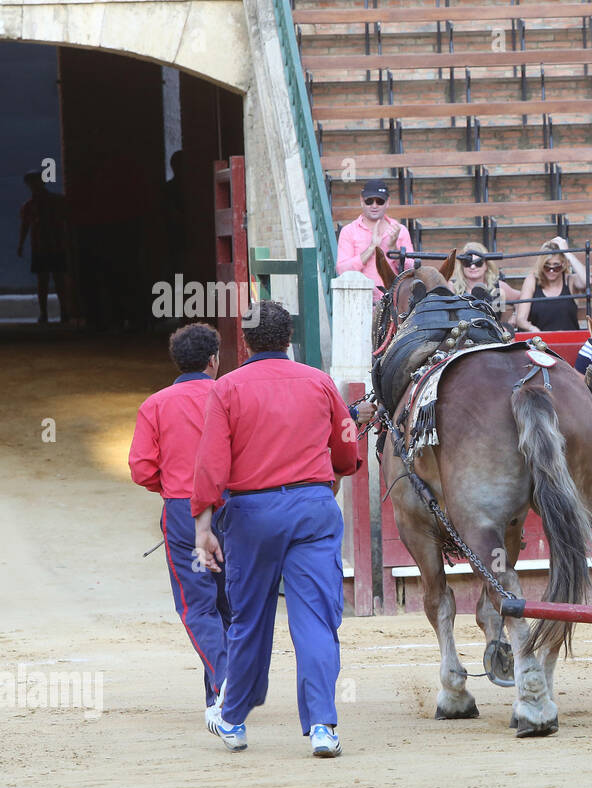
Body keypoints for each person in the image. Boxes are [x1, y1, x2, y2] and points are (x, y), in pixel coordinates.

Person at [193, 301, 361, 758]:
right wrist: (327, 484)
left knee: (249, 619)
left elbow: (211, 465)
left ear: (245, 341)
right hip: (313, 508)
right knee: (317, 621)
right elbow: (347, 452)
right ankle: (324, 725)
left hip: (253, 514)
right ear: (289, 339)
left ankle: (234, 718)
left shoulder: (226, 388)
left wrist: (204, 526)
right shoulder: (319, 381)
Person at [128, 323, 230, 728]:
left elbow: (141, 469)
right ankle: (220, 691)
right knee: (231, 603)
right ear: (214, 361)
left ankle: (224, 684)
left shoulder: (156, 404)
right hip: (235, 508)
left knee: (197, 605)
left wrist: (172, 488)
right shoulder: (230, 394)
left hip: (184, 512)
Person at [336, 179, 413, 302]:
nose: (374, 205)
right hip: (358, 301)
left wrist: (394, 249)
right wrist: (372, 247)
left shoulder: (400, 230)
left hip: (393, 303)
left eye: (380, 201)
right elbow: (342, 270)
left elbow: (410, 269)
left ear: (387, 202)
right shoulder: (349, 231)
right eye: (369, 201)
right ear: (362, 201)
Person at [17, 171, 69, 324]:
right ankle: (62, 312)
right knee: (56, 280)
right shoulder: (56, 200)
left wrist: (21, 244)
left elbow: (25, 226)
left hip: (43, 246)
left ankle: (45, 313)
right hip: (53, 245)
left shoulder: (29, 205)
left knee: (44, 281)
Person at [512, 237, 589, 333]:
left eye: (556, 267)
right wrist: (533, 329)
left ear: (563, 264)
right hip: (541, 342)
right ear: (541, 265)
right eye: (547, 266)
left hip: (569, 339)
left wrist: (568, 253)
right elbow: (521, 319)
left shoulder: (570, 280)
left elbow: (587, 281)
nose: (551, 271)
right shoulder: (532, 280)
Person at [450, 241, 520, 318]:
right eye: (467, 262)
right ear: (462, 266)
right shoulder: (453, 288)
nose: (473, 267)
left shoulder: (499, 287)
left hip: (491, 329)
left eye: (478, 263)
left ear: (486, 265)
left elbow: (520, 298)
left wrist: (514, 316)